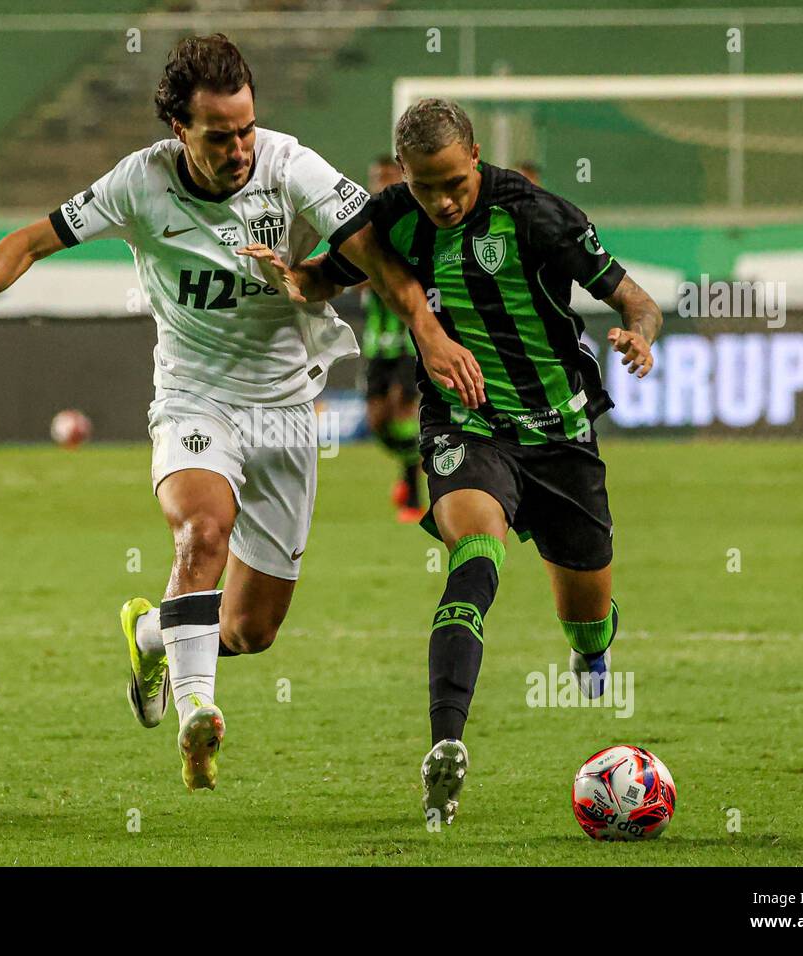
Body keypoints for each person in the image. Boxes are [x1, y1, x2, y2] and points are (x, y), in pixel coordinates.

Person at [0, 40, 483, 793]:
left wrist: (430, 333)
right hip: (192, 396)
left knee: (249, 630)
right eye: (220, 135)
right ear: (179, 130)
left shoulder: (289, 166)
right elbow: (30, 242)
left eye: (246, 127)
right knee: (201, 529)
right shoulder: (137, 183)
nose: (240, 147)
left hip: (282, 409)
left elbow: (375, 252)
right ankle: (197, 712)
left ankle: (150, 635)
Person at [239, 98, 663, 824]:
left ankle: (592, 655)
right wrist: (291, 275)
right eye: (424, 185)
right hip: (465, 424)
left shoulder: (535, 213)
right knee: (476, 553)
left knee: (587, 616)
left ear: (474, 156)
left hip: (559, 432)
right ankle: (446, 747)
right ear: (404, 172)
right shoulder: (394, 217)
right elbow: (323, 278)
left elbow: (635, 299)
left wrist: (638, 335)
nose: (440, 201)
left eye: (454, 184)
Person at [359, 155, 425, 521]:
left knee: (403, 405)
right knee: (377, 420)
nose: (380, 183)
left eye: (386, 176)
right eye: (375, 176)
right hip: (375, 342)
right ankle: (408, 471)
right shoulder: (362, 222)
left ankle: (415, 495)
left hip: (407, 340)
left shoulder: (410, 219)